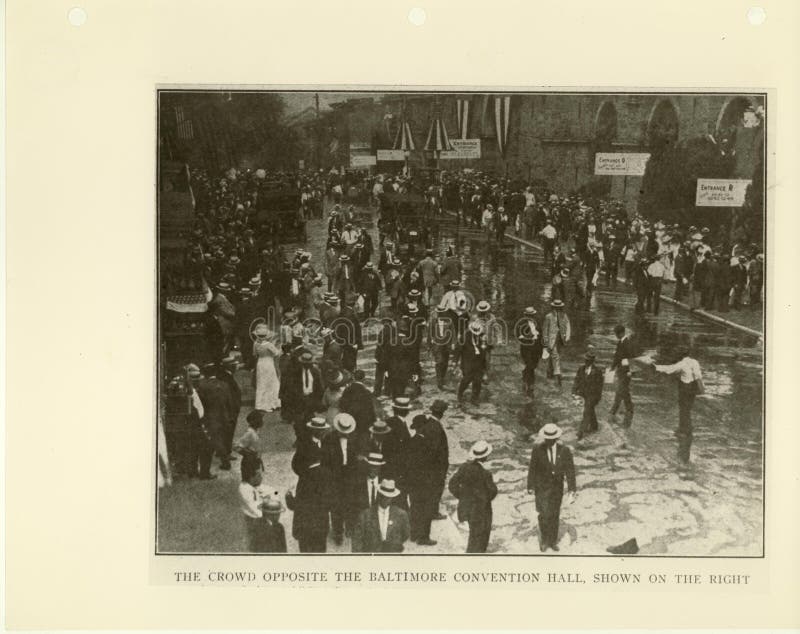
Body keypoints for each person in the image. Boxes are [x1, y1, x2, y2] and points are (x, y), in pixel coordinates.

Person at [526, 423, 577, 552]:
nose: (548, 441)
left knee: (554, 514)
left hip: (556, 489)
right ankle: (544, 541)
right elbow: (533, 468)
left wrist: (572, 490)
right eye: (546, 438)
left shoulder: (564, 451)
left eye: (551, 439)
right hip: (541, 488)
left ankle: (552, 541)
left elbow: (570, 471)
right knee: (543, 514)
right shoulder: (537, 449)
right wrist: (530, 486)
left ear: (556, 438)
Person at [405, 400, 450, 544]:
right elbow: (435, 454)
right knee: (426, 505)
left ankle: (413, 534)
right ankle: (423, 537)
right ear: (442, 413)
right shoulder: (435, 428)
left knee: (416, 505)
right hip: (429, 476)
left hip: (416, 476)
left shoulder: (423, 429)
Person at [652, 349, 704, 463]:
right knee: (688, 408)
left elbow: (669, 369)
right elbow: (698, 376)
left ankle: (685, 429)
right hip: (693, 388)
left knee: (683, 409)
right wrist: (702, 388)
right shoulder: (695, 362)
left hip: (684, 388)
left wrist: (655, 367)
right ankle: (685, 428)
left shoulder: (681, 363)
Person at [448, 440, 498, 553]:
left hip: (466, 508)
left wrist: (462, 496)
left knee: (473, 535)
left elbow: (452, 485)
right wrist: (483, 498)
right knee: (481, 538)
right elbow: (493, 491)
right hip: (481, 511)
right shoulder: (486, 474)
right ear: (484, 457)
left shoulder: (464, 467)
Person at [287, 438, 333, 553]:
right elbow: (331, 502)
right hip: (321, 526)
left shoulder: (304, 477)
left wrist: (289, 497)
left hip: (305, 528)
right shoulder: (327, 474)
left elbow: (297, 505)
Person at [322, 412, 359, 544]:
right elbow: (325, 460)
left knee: (349, 501)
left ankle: (349, 526)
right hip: (334, 475)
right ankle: (338, 532)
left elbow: (355, 458)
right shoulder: (329, 439)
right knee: (335, 503)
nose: (345, 434)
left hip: (348, 474)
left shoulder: (354, 438)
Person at [351, 479, 411, 553]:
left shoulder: (401, 515)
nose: (386, 499)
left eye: (389, 497)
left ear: (392, 497)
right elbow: (357, 539)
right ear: (379, 495)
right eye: (384, 496)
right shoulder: (365, 515)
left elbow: (405, 534)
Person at [238, 453, 274, 552]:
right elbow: (258, 512)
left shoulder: (249, 486)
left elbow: (269, 491)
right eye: (259, 474)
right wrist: (267, 501)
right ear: (251, 476)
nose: (262, 477)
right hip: (254, 526)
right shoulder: (245, 491)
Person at [572, 347, 604, 440]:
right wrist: (574, 391)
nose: (586, 362)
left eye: (588, 360)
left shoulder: (597, 372)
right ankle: (594, 425)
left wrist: (598, 397)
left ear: (592, 361)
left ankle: (581, 431)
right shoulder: (581, 369)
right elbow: (577, 380)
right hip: (584, 394)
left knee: (587, 411)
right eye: (585, 360)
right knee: (590, 410)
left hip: (593, 395)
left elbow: (599, 386)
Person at [252, 323, 281, 412]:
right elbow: (277, 353)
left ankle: (260, 404)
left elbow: (254, 354)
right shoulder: (269, 344)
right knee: (272, 382)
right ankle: (270, 403)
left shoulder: (255, 344)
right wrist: (279, 348)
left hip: (260, 363)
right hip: (269, 363)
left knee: (261, 383)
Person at [542, 299, 571, 387]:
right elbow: (545, 329)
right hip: (551, 340)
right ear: (553, 308)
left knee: (555, 355)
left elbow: (568, 326)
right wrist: (546, 341)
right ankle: (558, 375)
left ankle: (549, 372)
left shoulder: (564, 316)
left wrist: (567, 336)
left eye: (559, 308)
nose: (557, 309)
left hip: (561, 339)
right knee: (556, 356)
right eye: (556, 308)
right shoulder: (548, 316)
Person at [610, 324, 634, 427]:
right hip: (621, 370)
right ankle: (626, 409)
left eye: (617, 334)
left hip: (625, 371)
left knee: (622, 390)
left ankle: (623, 409)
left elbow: (630, 358)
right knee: (622, 390)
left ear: (621, 333)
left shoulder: (627, 343)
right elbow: (617, 356)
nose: (616, 336)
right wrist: (612, 367)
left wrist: (630, 371)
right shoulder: (620, 342)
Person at [457, 321, 488, 403]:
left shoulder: (482, 336)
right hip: (468, 361)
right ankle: (460, 394)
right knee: (466, 379)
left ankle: (474, 398)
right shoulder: (465, 336)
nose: (477, 334)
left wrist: (485, 344)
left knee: (478, 381)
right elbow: (459, 350)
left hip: (479, 361)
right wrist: (456, 362)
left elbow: (487, 349)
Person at [517, 306, 543, 397]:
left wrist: (542, 348)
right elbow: (519, 336)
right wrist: (527, 337)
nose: (530, 317)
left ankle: (525, 374)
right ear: (525, 315)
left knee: (534, 365)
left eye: (531, 315)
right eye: (528, 315)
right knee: (530, 365)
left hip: (536, 348)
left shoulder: (537, 323)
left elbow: (541, 335)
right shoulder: (521, 324)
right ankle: (530, 386)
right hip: (526, 348)